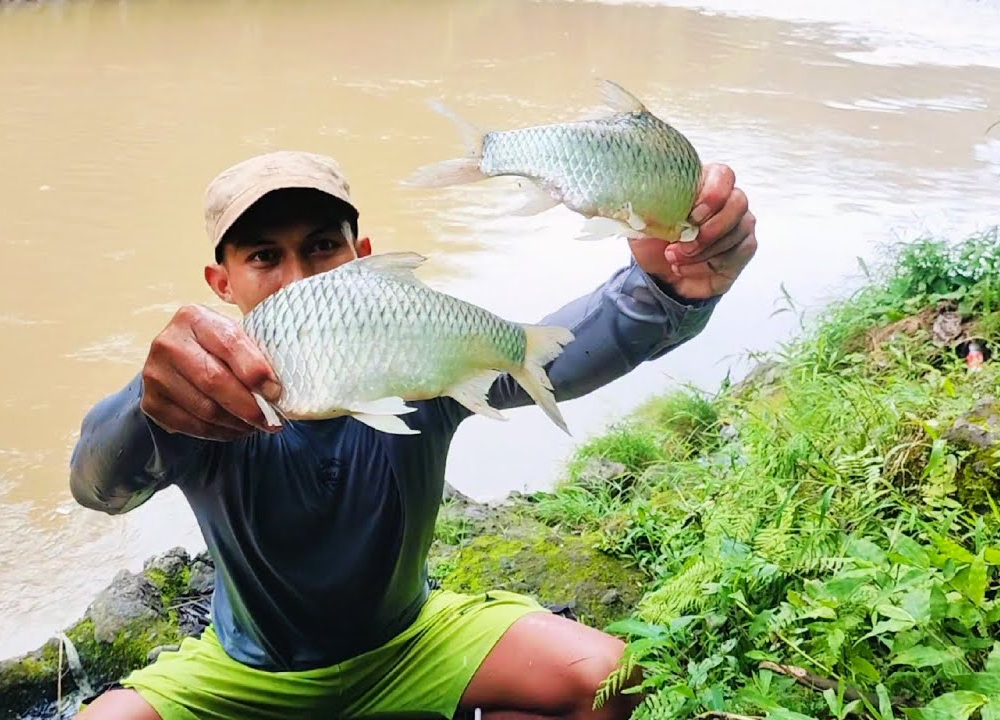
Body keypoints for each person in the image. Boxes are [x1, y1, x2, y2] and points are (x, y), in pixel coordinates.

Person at [70, 149, 757, 720]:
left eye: (320, 247)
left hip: (410, 643)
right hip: (249, 670)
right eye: (263, 257)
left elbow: (557, 356)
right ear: (222, 282)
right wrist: (143, 402)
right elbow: (98, 487)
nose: (299, 277)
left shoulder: (416, 353)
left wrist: (667, 288)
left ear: (362, 255)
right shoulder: (198, 391)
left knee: (611, 677)